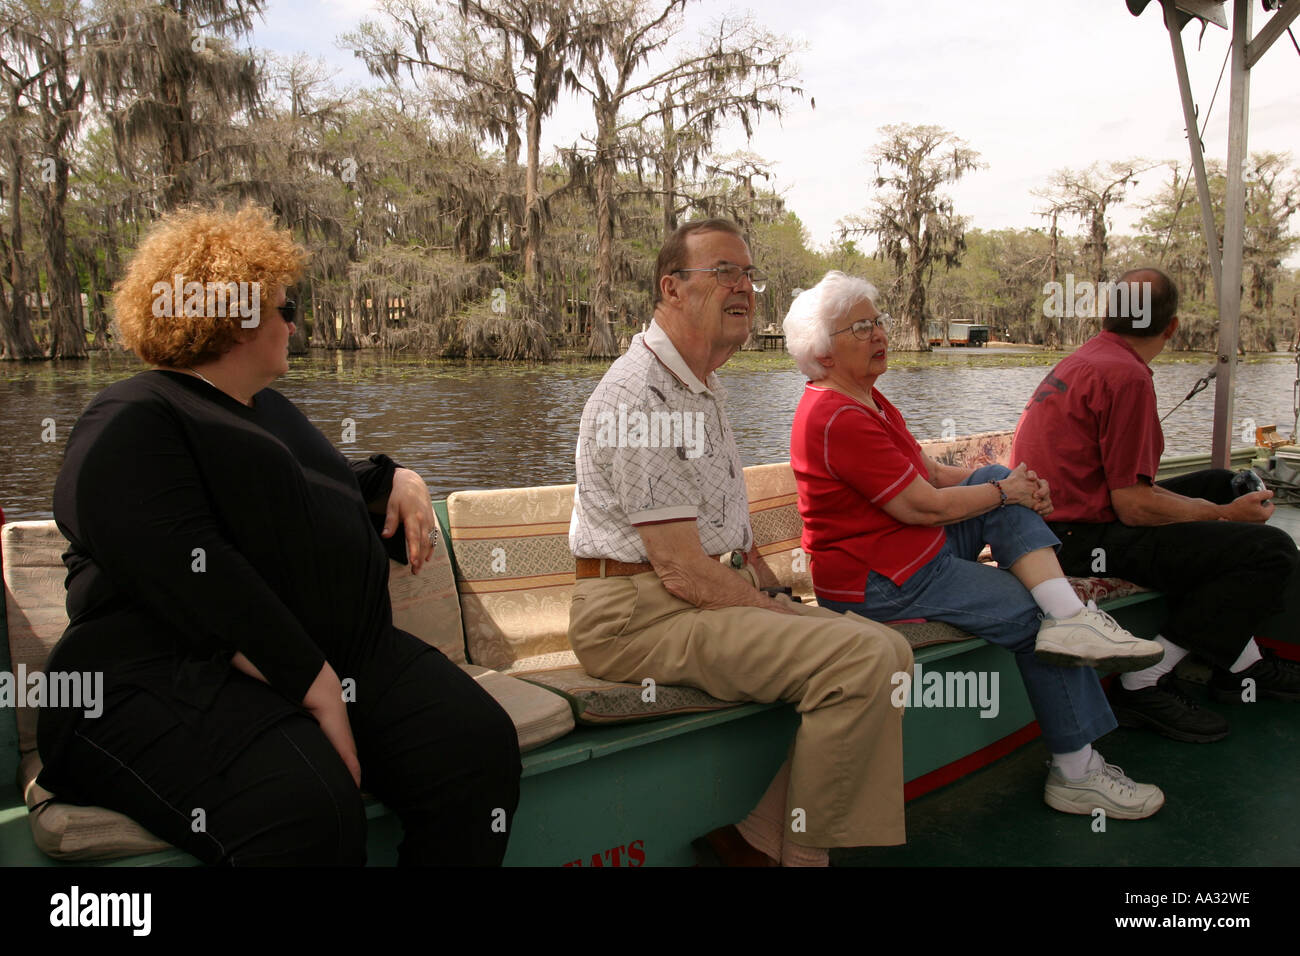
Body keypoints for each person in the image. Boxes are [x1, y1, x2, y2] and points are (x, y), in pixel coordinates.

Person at [37, 205, 521, 865]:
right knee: (306, 808)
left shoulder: (271, 415)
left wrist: (395, 477)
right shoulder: (134, 416)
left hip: (339, 658)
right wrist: (314, 685)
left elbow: (318, 493)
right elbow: (183, 565)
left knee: (474, 747)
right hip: (157, 680)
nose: (295, 325)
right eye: (284, 310)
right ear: (233, 319)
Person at [568, 220, 914, 867]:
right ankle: (801, 862)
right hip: (634, 617)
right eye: (723, 272)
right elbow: (682, 571)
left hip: (685, 601)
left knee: (888, 650)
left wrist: (772, 588)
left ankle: (756, 838)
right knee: (861, 658)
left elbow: (724, 535)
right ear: (671, 288)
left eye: (749, 275)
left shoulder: (701, 385)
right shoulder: (640, 395)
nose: (744, 288)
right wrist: (784, 615)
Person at [784, 270, 1166, 820]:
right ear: (822, 354)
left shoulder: (867, 399)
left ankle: (1070, 615)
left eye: (877, 321)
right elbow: (921, 506)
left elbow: (933, 477)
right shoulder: (834, 415)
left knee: (995, 483)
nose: (877, 333)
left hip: (908, 552)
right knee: (1037, 622)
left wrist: (1008, 485)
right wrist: (1002, 491)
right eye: (859, 327)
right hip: (878, 582)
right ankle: (1076, 773)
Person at [1013, 267, 1300, 742]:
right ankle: (1143, 682)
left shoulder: (1089, 357)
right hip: (1071, 540)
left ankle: (1241, 662)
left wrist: (1219, 505)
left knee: (1219, 483)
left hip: (1051, 524)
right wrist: (1227, 517)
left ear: (1107, 315)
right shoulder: (1125, 376)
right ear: (1172, 327)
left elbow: (1125, 490)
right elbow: (1134, 507)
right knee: (1268, 550)